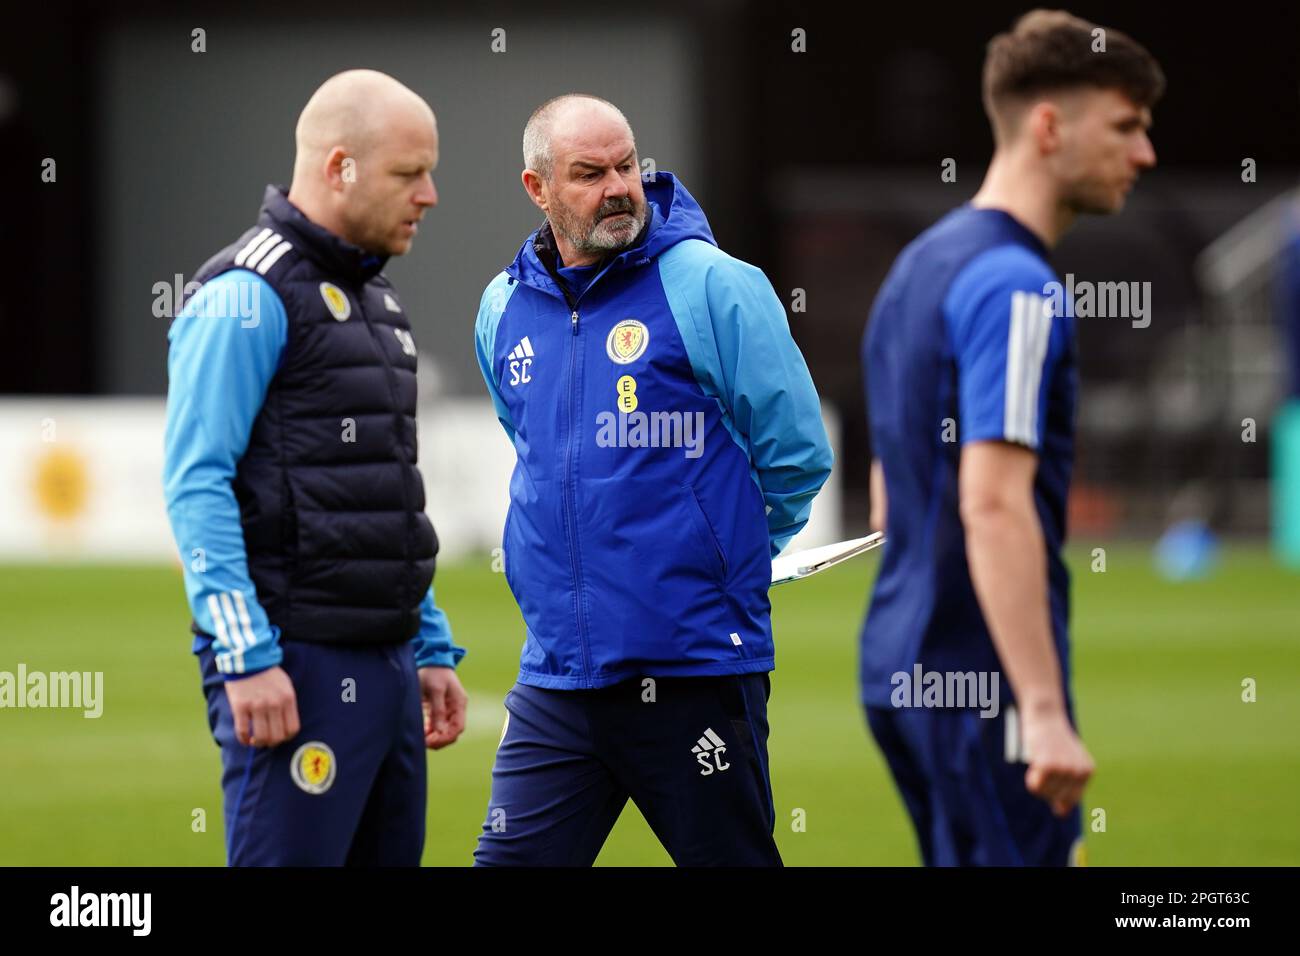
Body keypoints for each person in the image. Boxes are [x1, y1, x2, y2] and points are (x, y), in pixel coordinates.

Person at [472, 93, 833, 866]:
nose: (618, 187)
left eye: (627, 165)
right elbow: (533, 445)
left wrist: (723, 552)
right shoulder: (502, 307)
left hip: (692, 666)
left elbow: (797, 453)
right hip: (559, 677)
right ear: (537, 189)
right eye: (589, 173)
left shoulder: (713, 284)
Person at [860, 11, 1163, 865]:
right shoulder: (1018, 287)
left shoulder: (920, 263)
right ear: (1048, 125)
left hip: (898, 667)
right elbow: (992, 502)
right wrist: (1040, 706)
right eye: (1127, 126)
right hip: (981, 685)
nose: (1145, 154)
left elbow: (891, 483)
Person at [162, 69, 467, 866]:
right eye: (409, 173)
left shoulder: (378, 301)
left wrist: (427, 644)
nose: (429, 194)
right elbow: (197, 482)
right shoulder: (245, 292)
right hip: (294, 662)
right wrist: (246, 656)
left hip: (391, 665)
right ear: (340, 168)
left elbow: (385, 493)